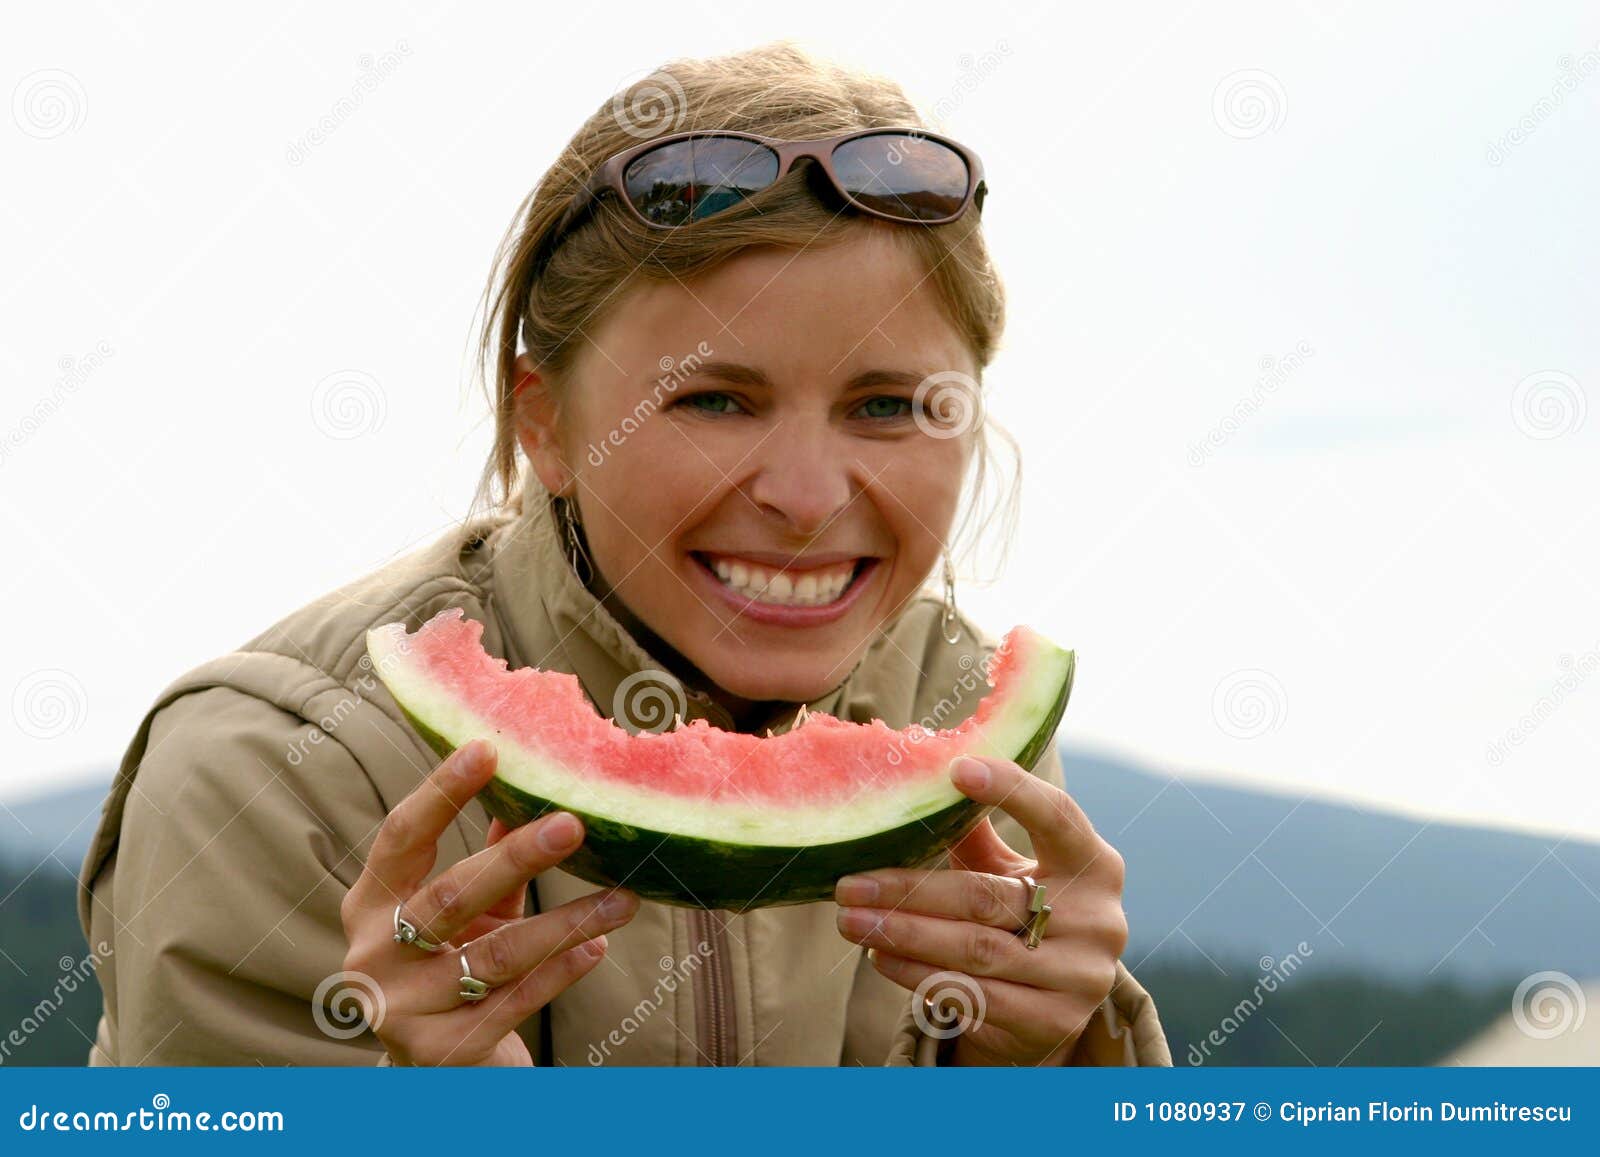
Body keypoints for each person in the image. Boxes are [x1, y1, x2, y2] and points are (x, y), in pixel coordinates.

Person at [77, 41, 1171, 1067]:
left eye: (885, 404)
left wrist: (1049, 1059)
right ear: (543, 424)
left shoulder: (962, 722)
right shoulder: (273, 779)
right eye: (714, 400)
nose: (803, 499)